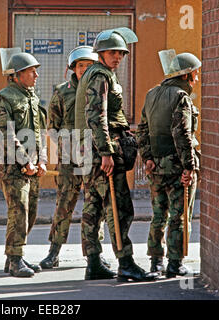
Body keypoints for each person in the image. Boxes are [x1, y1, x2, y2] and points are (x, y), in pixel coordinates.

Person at [75, 28, 157, 281]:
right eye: (112, 52)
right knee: (119, 208)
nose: (117, 57)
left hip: (88, 150)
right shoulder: (100, 75)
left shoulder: (92, 73)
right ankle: (126, 262)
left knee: (94, 207)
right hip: (101, 150)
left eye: (120, 53)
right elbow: (96, 116)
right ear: (100, 53)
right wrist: (106, 152)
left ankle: (94, 262)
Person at [40, 46, 108, 269]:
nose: (84, 70)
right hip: (69, 158)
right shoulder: (62, 91)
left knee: (94, 205)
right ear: (73, 69)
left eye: (89, 66)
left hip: (93, 156)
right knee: (64, 203)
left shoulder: (99, 88)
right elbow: (52, 127)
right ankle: (54, 251)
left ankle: (94, 254)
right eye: (80, 66)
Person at [136, 50, 201, 278]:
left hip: (157, 167)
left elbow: (142, 130)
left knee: (158, 215)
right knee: (179, 215)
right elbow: (182, 133)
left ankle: (155, 262)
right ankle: (175, 263)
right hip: (176, 167)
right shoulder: (180, 97)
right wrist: (189, 166)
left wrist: (148, 159)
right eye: (195, 73)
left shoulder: (152, 93)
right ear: (185, 75)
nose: (197, 77)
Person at [0, 52, 47, 277]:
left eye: (35, 70)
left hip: (32, 167)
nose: (36, 74)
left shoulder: (31, 97)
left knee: (30, 212)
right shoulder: (4, 98)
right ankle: (15, 260)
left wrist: (41, 160)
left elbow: (39, 133)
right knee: (19, 211)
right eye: (31, 71)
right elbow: (6, 134)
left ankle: (15, 256)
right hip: (14, 167)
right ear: (17, 75)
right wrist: (25, 161)